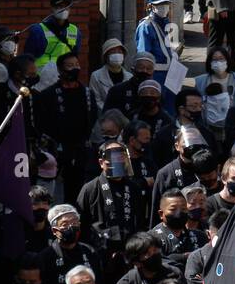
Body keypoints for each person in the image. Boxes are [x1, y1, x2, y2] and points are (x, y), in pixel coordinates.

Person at [76, 141, 149, 284]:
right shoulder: (90, 189)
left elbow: (141, 221)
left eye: (121, 157)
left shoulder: (133, 187)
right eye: (113, 157)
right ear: (101, 162)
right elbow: (81, 225)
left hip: (129, 255)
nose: (118, 161)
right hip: (100, 255)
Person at [33, 52, 100, 203]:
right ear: (60, 70)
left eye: (76, 65)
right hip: (55, 147)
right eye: (70, 66)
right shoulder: (47, 95)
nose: (74, 68)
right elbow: (41, 122)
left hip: (80, 147)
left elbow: (92, 117)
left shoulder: (87, 93)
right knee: (46, 188)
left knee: (76, 188)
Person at [37, 204, 103, 284]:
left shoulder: (89, 251)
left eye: (75, 223)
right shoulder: (45, 257)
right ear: (54, 230)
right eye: (65, 224)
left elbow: (99, 283)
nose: (71, 227)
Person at [134, 0, 177, 112]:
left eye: (166, 4)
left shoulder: (168, 24)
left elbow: (172, 49)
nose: (164, 7)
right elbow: (143, 56)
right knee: (158, 109)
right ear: (150, 6)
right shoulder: (145, 27)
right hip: (155, 76)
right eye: (159, 5)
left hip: (173, 74)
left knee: (171, 110)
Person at [24, 0, 82, 79]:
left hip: (65, 77)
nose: (63, 9)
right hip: (42, 78)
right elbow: (28, 58)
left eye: (66, 6)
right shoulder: (38, 30)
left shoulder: (75, 31)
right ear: (52, 8)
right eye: (59, 6)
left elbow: (75, 55)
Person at [185, 207, 228, 284]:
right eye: (218, 235)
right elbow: (195, 282)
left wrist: (207, 279)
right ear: (208, 234)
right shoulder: (197, 257)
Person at [152, 189, 203, 270]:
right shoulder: (152, 238)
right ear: (161, 214)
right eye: (173, 209)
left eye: (183, 209)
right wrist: (183, 257)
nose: (178, 213)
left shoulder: (200, 236)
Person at [104, 51, 156, 118]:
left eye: (148, 69)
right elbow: (107, 118)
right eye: (141, 67)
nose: (145, 71)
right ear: (132, 69)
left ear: (153, 72)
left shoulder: (156, 94)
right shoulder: (117, 90)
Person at [88, 38, 131, 106]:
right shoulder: (96, 76)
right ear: (106, 56)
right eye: (113, 52)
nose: (117, 54)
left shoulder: (130, 77)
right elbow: (95, 100)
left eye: (119, 52)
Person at [123, 119, 157, 189]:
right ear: (132, 140)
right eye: (146, 139)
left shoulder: (148, 160)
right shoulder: (121, 162)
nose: (148, 142)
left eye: (149, 139)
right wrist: (144, 182)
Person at [25, 185, 54, 252]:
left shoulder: (54, 230)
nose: (41, 207)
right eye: (35, 204)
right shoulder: (19, 230)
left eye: (45, 203)